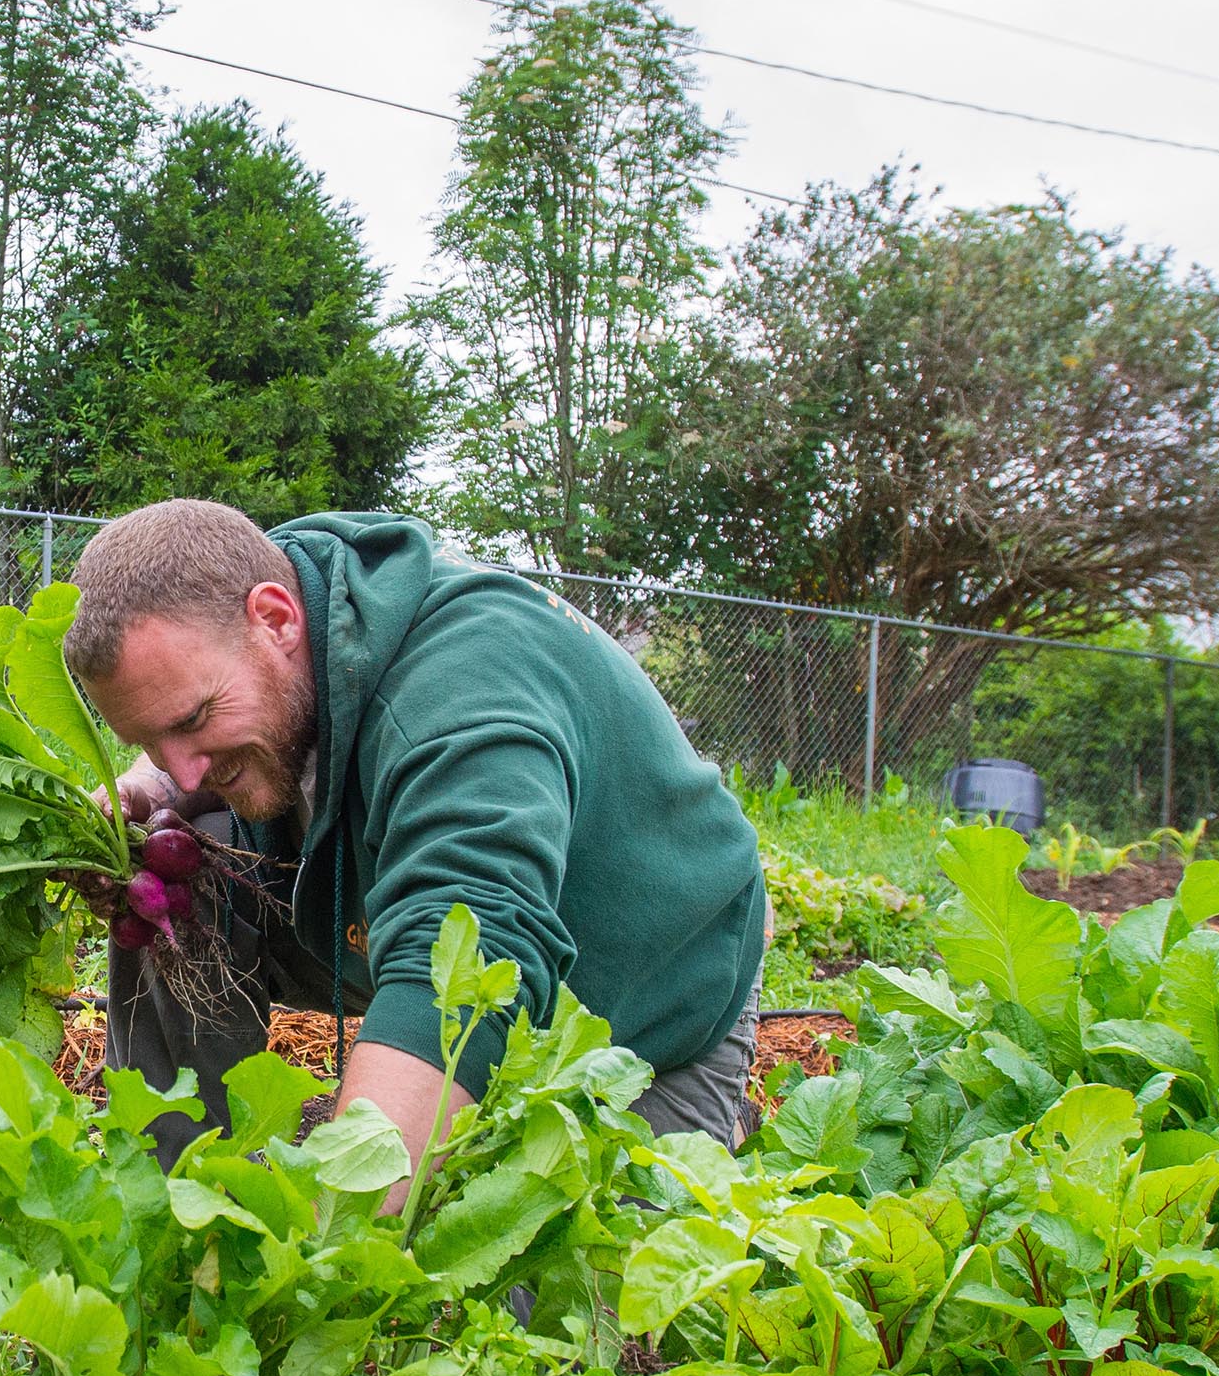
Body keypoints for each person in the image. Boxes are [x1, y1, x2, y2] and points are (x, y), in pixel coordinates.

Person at [63, 500, 767, 1172]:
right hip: (372, 917)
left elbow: (469, 951)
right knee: (166, 868)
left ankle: (710, 1113)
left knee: (538, 1279)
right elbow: (184, 729)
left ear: (274, 620)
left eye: (190, 721)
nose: (180, 766)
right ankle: (178, 1189)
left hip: (641, 989)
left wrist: (324, 1255)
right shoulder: (281, 622)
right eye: (149, 741)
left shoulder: (464, 684)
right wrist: (151, 791)